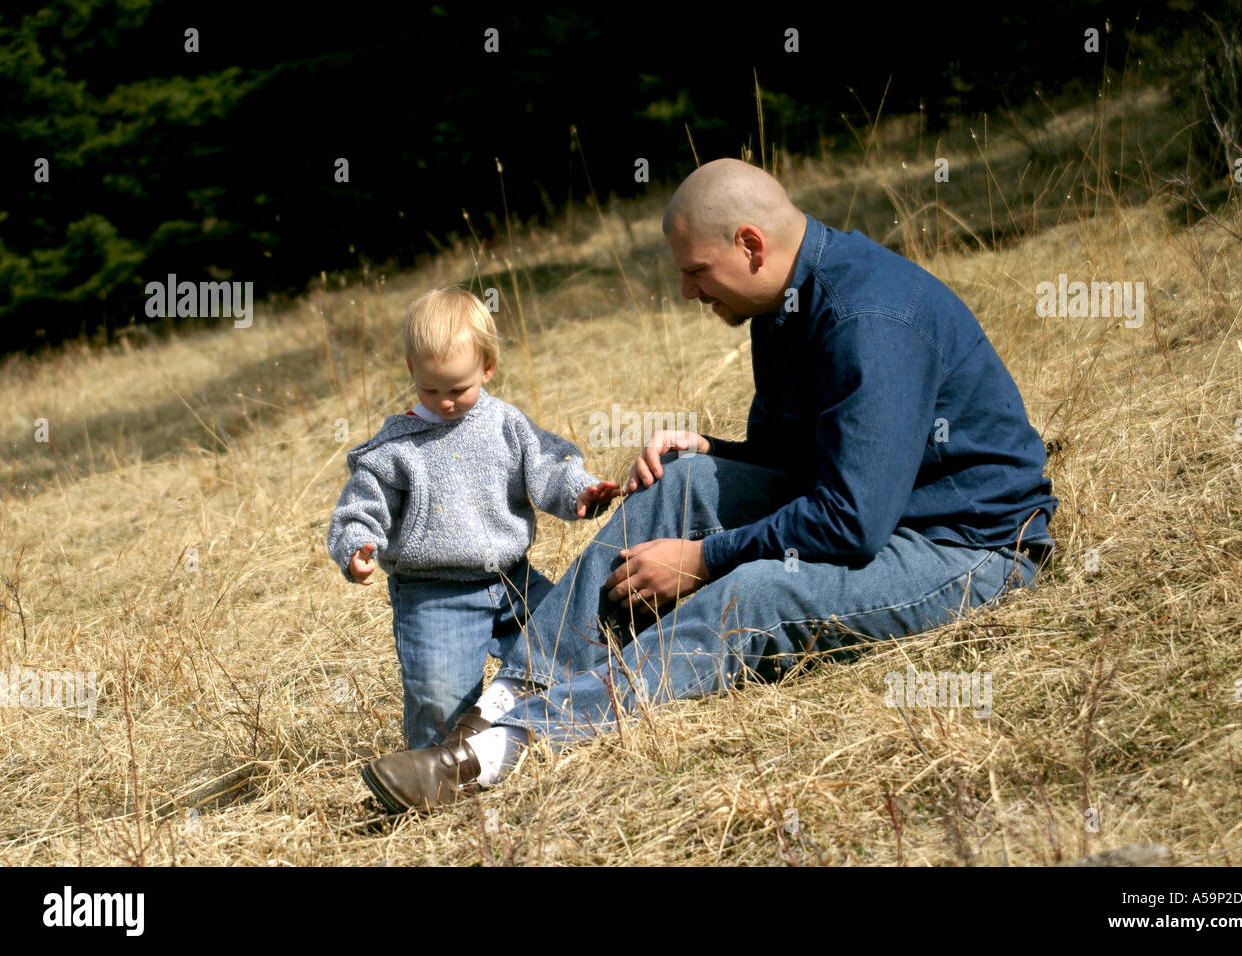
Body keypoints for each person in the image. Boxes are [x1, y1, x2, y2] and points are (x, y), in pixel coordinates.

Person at [359, 159, 1059, 814]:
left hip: (964, 544)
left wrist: (703, 560)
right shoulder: (782, 301)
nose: (688, 291)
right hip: (878, 506)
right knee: (683, 482)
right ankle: (507, 697)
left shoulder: (867, 318)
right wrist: (712, 452)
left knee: (753, 592)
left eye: (697, 272)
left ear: (751, 243)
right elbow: (795, 462)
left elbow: (853, 520)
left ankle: (499, 751)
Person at [327, 287, 620, 753]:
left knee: (573, 642)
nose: (445, 402)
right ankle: (432, 773)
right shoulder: (394, 449)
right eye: (431, 389)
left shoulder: (505, 423)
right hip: (435, 594)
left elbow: (547, 466)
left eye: (459, 388)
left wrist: (580, 491)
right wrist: (358, 546)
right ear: (412, 371)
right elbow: (361, 507)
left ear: (487, 366)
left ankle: (543, 733)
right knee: (440, 701)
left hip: (513, 580)